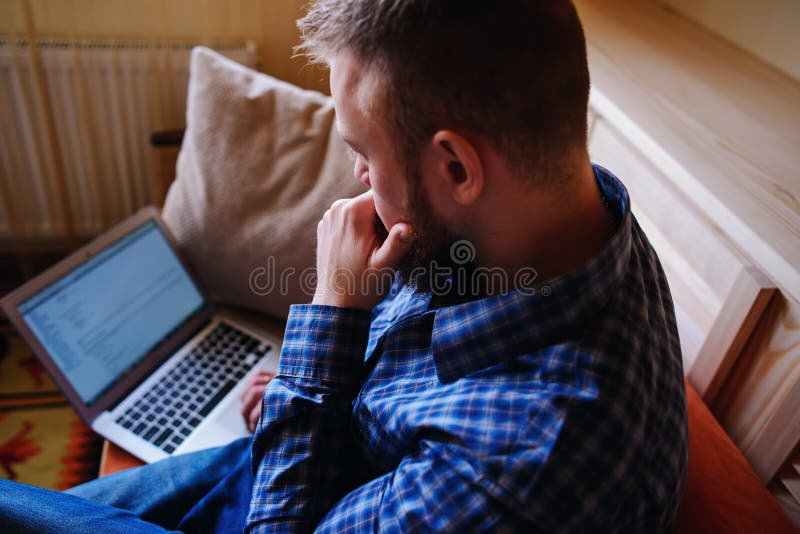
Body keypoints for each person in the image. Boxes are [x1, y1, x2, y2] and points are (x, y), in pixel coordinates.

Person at [0, 1, 688, 532]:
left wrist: (330, 316)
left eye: (362, 150)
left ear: (456, 166)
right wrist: (315, 381)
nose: (355, 177)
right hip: (314, 453)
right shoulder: (569, 213)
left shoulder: (517, 470)